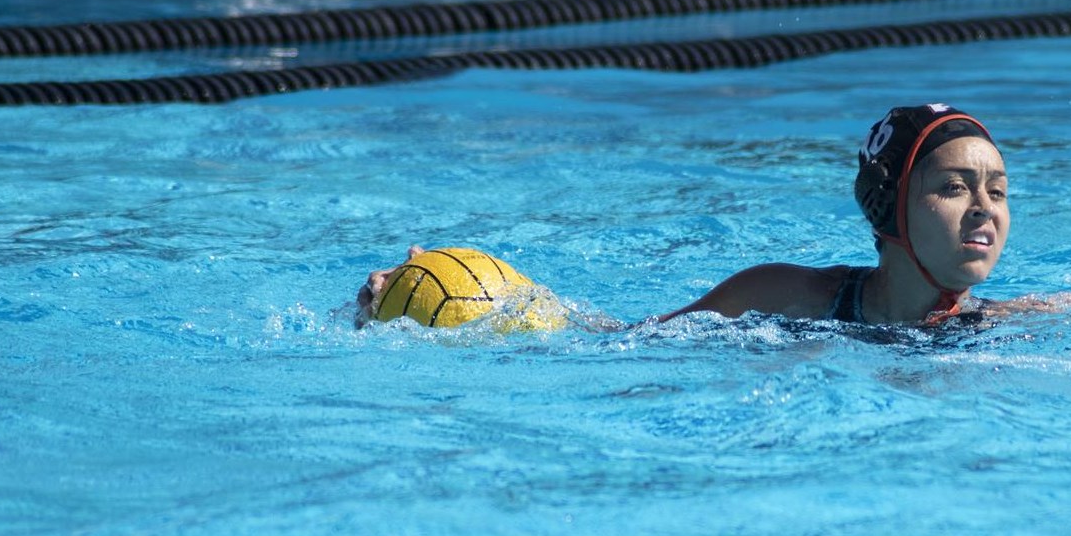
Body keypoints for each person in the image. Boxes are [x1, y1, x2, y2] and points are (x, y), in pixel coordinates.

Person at [356, 104, 1012, 328]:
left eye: (999, 191)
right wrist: (467, 294)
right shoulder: (782, 297)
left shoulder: (1011, 327)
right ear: (888, 206)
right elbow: (623, 344)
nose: (984, 208)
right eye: (956, 187)